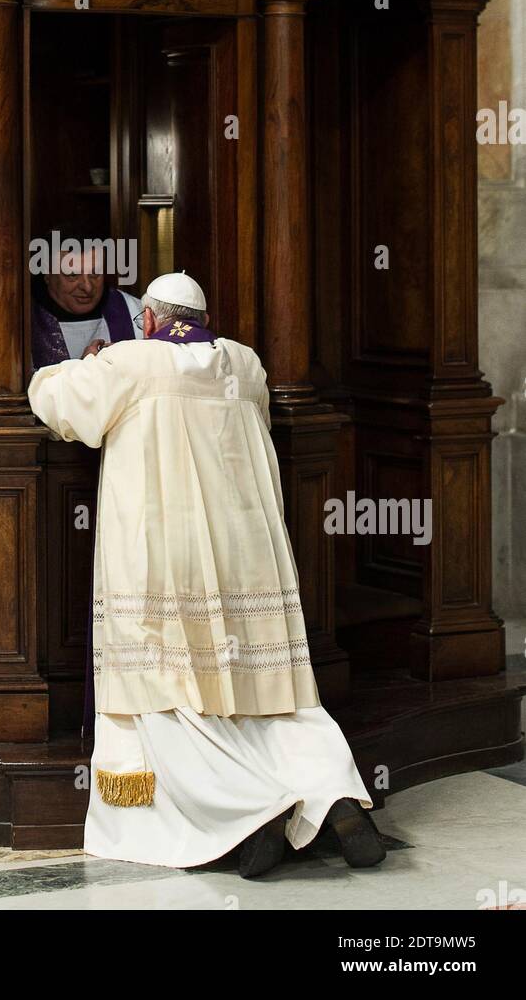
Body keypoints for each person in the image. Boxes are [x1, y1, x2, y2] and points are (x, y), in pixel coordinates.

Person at [28, 271, 385, 876]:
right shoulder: (245, 364)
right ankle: (336, 795)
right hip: (248, 557)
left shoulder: (132, 363)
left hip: (165, 556)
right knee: (274, 698)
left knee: (170, 694)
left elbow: (61, 404)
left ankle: (253, 811)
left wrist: (68, 367)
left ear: (149, 319)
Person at [30, 233, 142, 370]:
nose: (87, 287)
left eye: (95, 274)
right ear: (47, 275)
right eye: (73, 275)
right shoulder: (21, 323)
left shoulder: (135, 313)